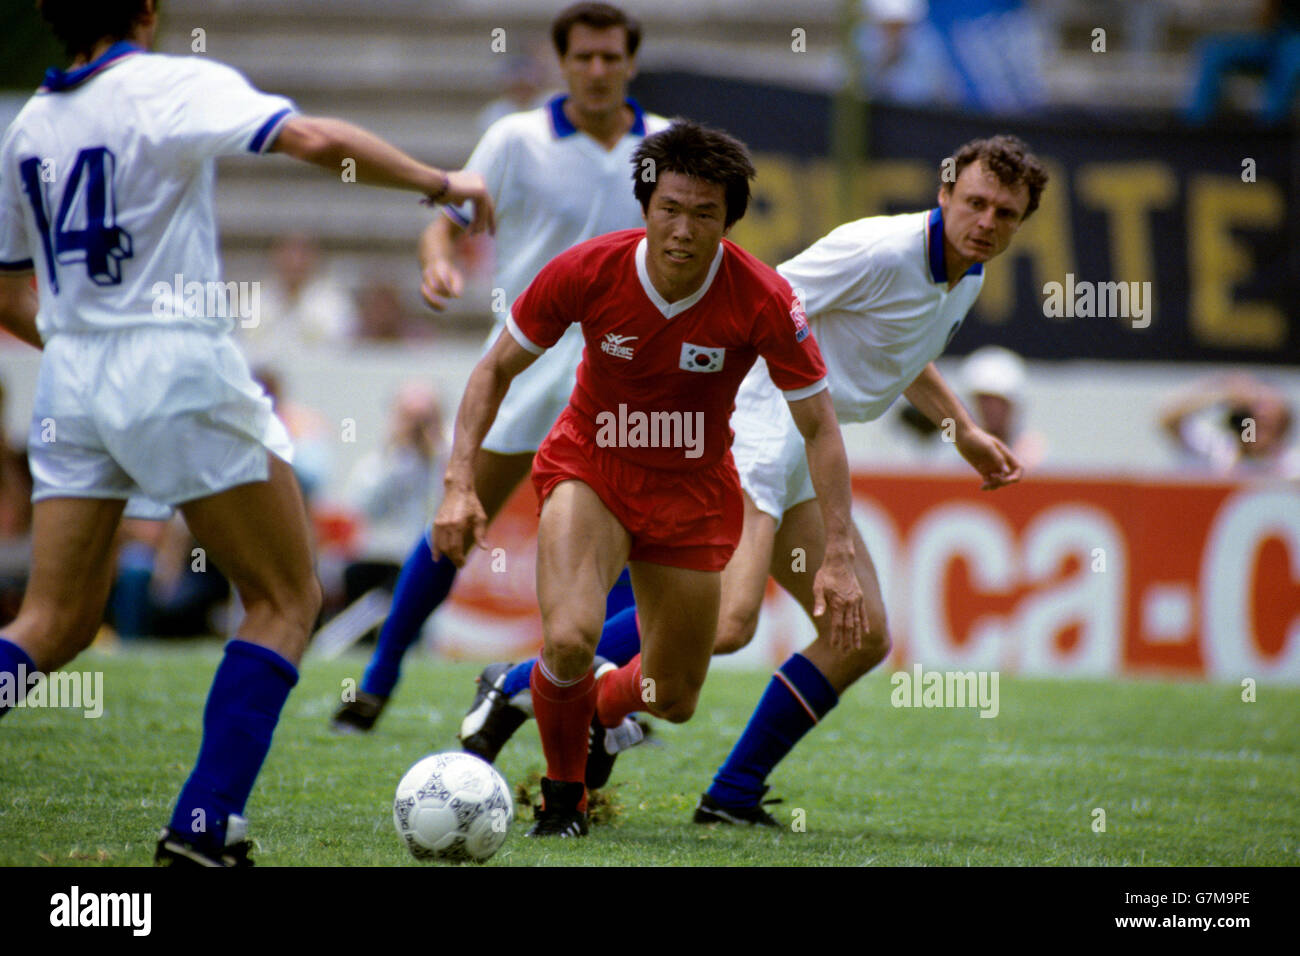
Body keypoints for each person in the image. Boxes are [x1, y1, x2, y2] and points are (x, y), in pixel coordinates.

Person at [0, 0, 493, 866]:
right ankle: (203, 825)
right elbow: (312, 141)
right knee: (285, 598)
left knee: (50, 621)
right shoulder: (168, 82)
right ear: (148, 11)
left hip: (69, 379)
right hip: (173, 363)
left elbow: (8, 298)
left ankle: (205, 822)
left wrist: (91, 354)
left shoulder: (30, 124)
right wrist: (441, 184)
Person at [463, 134, 1043, 826]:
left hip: (800, 446)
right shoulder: (881, 249)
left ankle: (726, 790)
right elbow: (775, 306)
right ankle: (536, 685)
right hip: (758, 425)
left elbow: (901, 350)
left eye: (1006, 214)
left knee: (859, 635)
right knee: (732, 621)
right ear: (944, 194)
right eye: (975, 203)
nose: (987, 222)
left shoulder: (964, 270)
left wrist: (965, 431)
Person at [433, 120, 867, 837]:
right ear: (645, 207)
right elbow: (493, 369)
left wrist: (841, 553)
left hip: (692, 495)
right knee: (571, 639)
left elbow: (821, 427)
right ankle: (562, 799)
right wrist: (458, 482)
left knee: (673, 695)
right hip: (591, 468)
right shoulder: (587, 270)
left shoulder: (763, 298)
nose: (684, 229)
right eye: (670, 208)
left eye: (704, 214)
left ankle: (597, 713)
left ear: (728, 220)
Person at [332, 2, 670, 735]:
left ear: (631, 62)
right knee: (457, 521)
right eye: (584, 57)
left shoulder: (666, 146)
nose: (598, 70)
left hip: (624, 368)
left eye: (612, 57)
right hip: (529, 357)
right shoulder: (516, 139)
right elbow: (443, 219)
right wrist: (438, 265)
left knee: (619, 538)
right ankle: (379, 678)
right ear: (562, 61)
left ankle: (601, 705)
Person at [1159, 373, 1300, 479]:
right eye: (1252, 417)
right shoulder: (1218, 449)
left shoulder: (1291, 466)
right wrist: (1223, 392)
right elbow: (1169, 418)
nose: (1261, 414)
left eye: (1268, 425)